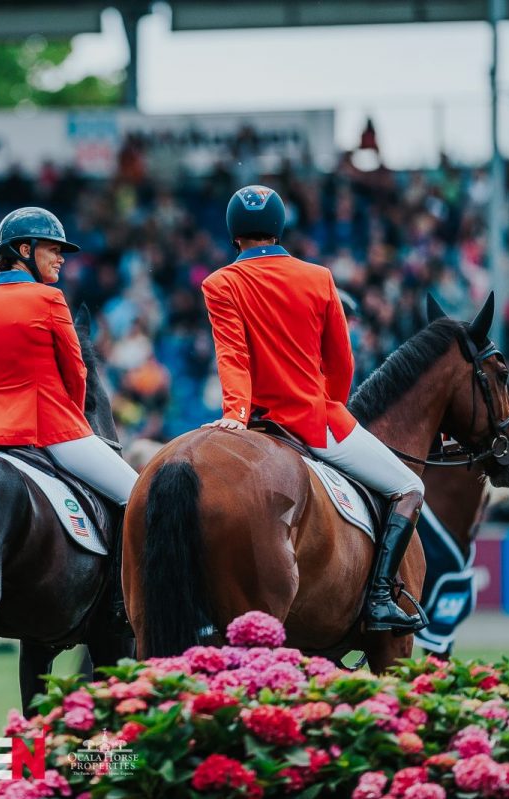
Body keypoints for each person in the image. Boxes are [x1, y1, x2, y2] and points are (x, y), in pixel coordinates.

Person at [202, 185, 426, 634]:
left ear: (234, 235)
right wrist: (332, 406)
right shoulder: (319, 277)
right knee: (408, 486)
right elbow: (342, 359)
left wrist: (237, 414)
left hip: (253, 421)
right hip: (315, 420)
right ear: (280, 227)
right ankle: (380, 597)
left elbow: (233, 356)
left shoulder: (219, 283)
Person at [0, 207, 138, 506]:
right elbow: (76, 372)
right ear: (24, 249)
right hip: (51, 428)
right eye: (54, 250)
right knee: (139, 497)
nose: (61, 259)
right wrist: (74, 416)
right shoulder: (50, 298)